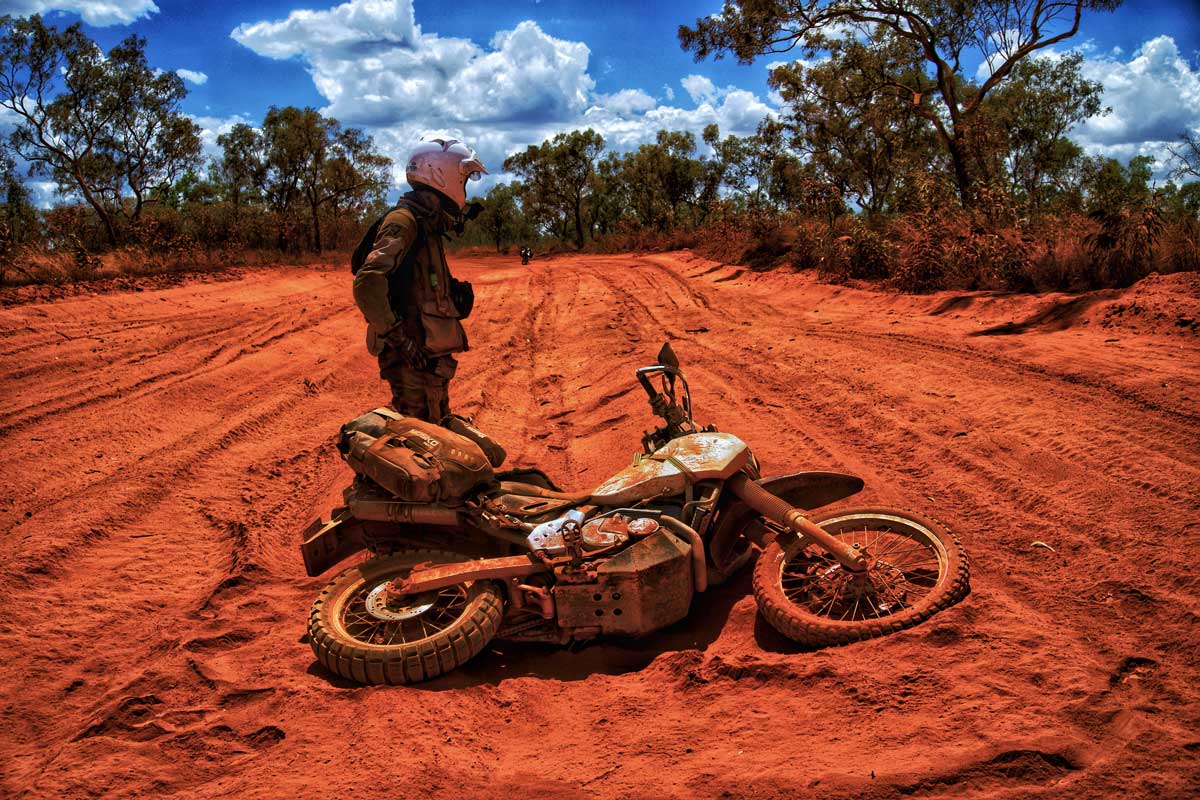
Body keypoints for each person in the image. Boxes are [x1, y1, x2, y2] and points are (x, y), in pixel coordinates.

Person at [352, 134, 486, 422]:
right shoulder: (405, 222)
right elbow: (368, 282)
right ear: (443, 174)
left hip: (426, 356)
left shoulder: (427, 224)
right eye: (463, 180)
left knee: (434, 429)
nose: (464, 189)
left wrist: (451, 297)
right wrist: (400, 339)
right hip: (411, 356)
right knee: (417, 434)